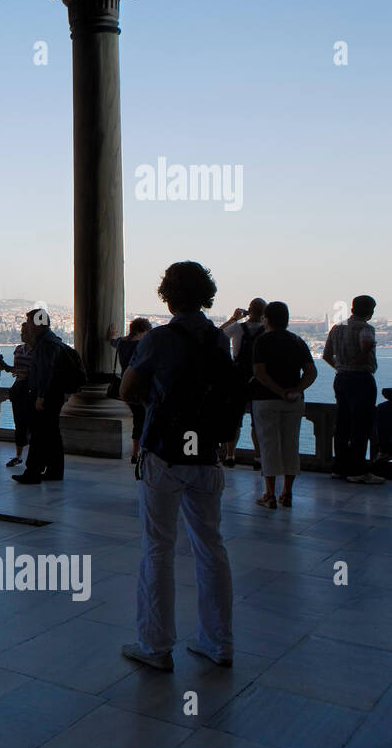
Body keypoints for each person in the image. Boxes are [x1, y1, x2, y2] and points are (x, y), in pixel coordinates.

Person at [120, 261, 234, 671]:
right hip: (206, 453)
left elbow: (126, 388)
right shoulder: (219, 341)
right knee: (211, 547)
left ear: (166, 294)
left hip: (164, 452)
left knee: (158, 548)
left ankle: (156, 645)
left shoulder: (158, 339)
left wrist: (154, 405)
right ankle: (218, 642)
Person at [250, 301, 317, 508]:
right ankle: (287, 492)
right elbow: (311, 371)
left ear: (266, 319)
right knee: (291, 445)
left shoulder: (262, 341)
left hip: (265, 400)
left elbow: (259, 372)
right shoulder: (297, 341)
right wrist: (296, 390)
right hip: (293, 401)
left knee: (268, 445)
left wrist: (278, 391)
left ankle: (269, 494)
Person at [323, 295, 382, 484]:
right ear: (370, 311)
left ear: (352, 309)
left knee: (342, 425)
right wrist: (354, 363)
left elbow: (325, 355)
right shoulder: (366, 329)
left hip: (341, 379)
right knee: (361, 425)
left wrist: (342, 368)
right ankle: (357, 470)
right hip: (361, 379)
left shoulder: (337, 328)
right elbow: (365, 350)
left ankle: (340, 467)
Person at [13, 311, 64, 484]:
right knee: (51, 434)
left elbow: (45, 372)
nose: (27, 325)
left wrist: (41, 396)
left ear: (38, 324)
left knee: (38, 434)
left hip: (45, 395)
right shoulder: (53, 340)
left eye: (29, 322)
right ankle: (54, 470)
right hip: (54, 394)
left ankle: (32, 472)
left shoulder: (45, 344)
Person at [219, 298, 266, 468]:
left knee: (235, 419)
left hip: (237, 378)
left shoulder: (238, 328)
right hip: (259, 379)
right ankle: (258, 457)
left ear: (248, 310)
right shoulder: (267, 331)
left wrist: (233, 319)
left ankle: (230, 455)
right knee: (258, 421)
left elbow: (218, 335)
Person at [108, 318, 153, 464]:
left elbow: (113, 341)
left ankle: (136, 452)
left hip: (126, 386)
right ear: (143, 331)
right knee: (143, 419)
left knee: (138, 419)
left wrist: (113, 335)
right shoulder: (143, 345)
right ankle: (139, 452)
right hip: (141, 387)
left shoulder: (121, 342)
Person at [0, 336, 31, 467]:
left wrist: (22, 373)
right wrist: (5, 367)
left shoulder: (38, 350)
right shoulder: (19, 349)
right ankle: (19, 455)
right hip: (19, 389)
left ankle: (32, 457)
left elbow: (37, 371)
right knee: (19, 424)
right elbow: (16, 370)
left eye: (24, 330)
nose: (22, 333)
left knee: (31, 424)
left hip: (31, 390)